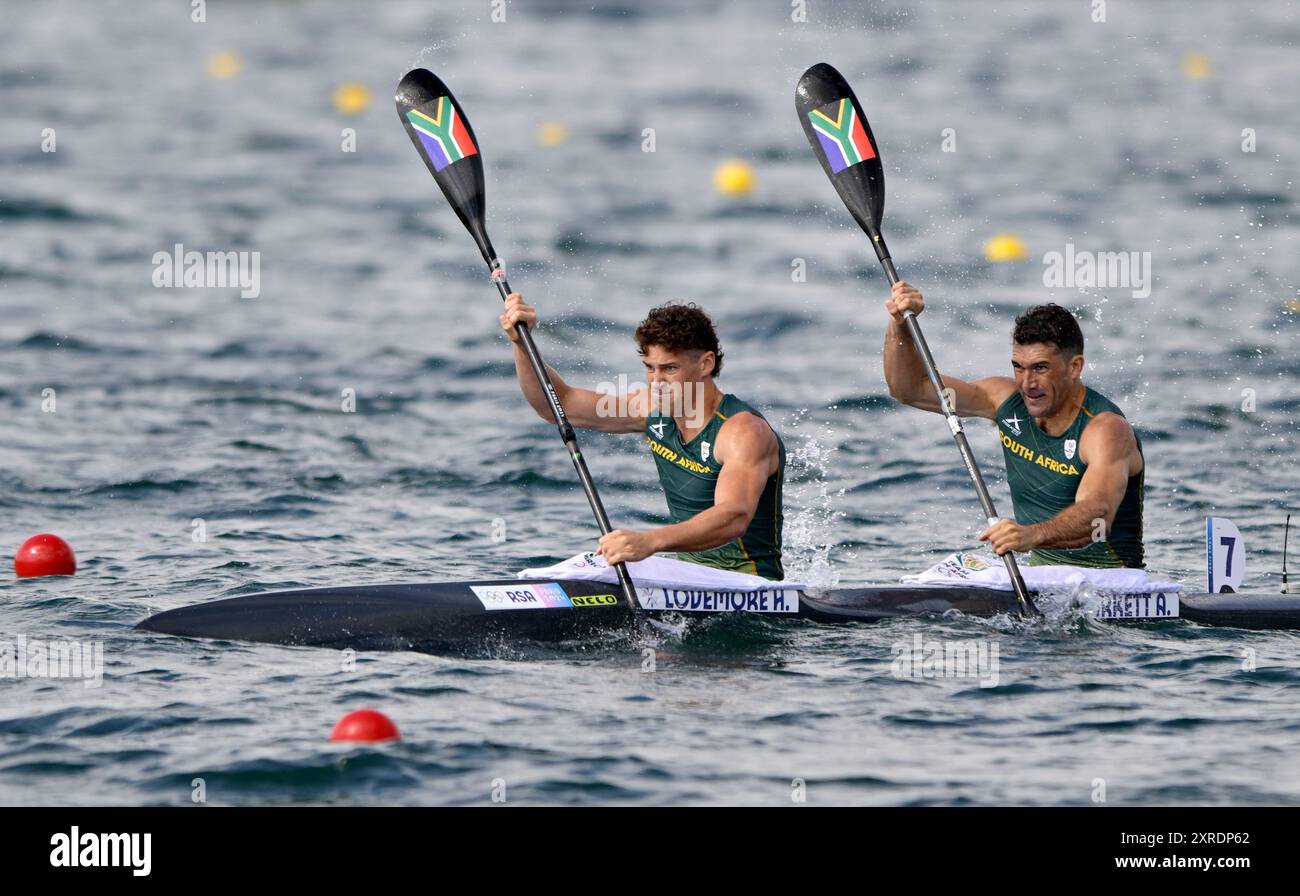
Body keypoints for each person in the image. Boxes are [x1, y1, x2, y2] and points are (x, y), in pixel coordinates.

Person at [501, 294, 786, 579]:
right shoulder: (651, 408)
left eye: (669, 368)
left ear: (705, 364)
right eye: (650, 368)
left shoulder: (742, 432)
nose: (657, 381)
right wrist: (521, 344)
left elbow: (734, 516)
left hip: (748, 582)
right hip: (686, 573)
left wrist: (648, 542)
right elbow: (559, 405)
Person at [883, 281, 1144, 568]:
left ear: (1074, 367)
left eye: (1040, 368)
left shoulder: (1105, 429)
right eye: (1018, 367)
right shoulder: (1001, 400)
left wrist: (1031, 535)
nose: (1027, 384)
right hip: (1041, 578)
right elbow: (910, 389)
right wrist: (900, 324)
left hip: (1110, 581)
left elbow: (1098, 519)